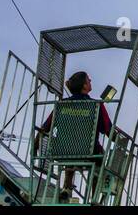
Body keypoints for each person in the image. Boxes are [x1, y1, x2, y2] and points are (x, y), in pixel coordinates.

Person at [38, 70, 112, 201]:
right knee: (99, 157)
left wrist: (35, 145)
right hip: (88, 153)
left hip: (63, 151)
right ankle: (94, 197)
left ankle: (66, 187)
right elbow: (108, 129)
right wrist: (119, 140)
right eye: (88, 80)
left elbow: (45, 127)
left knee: (70, 149)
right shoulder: (96, 105)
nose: (90, 81)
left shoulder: (61, 105)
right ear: (84, 85)